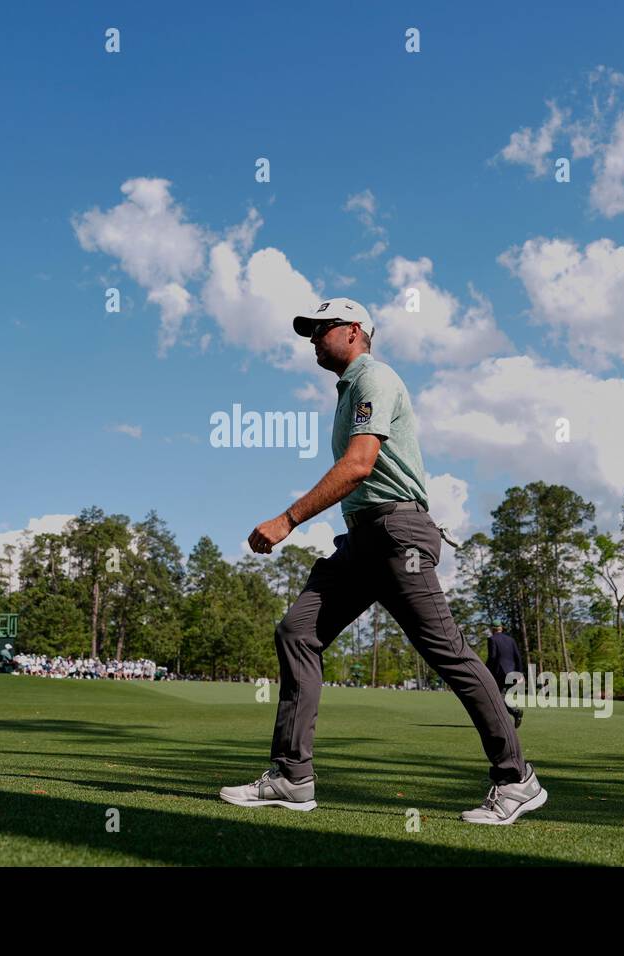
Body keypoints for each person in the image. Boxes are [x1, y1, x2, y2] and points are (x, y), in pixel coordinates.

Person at [220, 297, 547, 825]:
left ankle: (517, 780)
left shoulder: (374, 377)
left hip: (397, 534)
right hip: (363, 540)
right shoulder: (350, 389)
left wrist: (287, 520)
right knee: (298, 631)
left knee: (450, 655)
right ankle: (291, 776)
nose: (312, 340)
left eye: (321, 329)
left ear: (353, 332)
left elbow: (358, 465)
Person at [485, 624, 525, 728]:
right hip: (512, 672)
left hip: (500, 673)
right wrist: (520, 674)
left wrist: (485, 670)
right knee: (502, 696)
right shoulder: (511, 640)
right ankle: (500, 719)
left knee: (497, 697)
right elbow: (518, 657)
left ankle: (515, 712)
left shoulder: (492, 639)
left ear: (492, 629)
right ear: (501, 628)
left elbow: (492, 657)